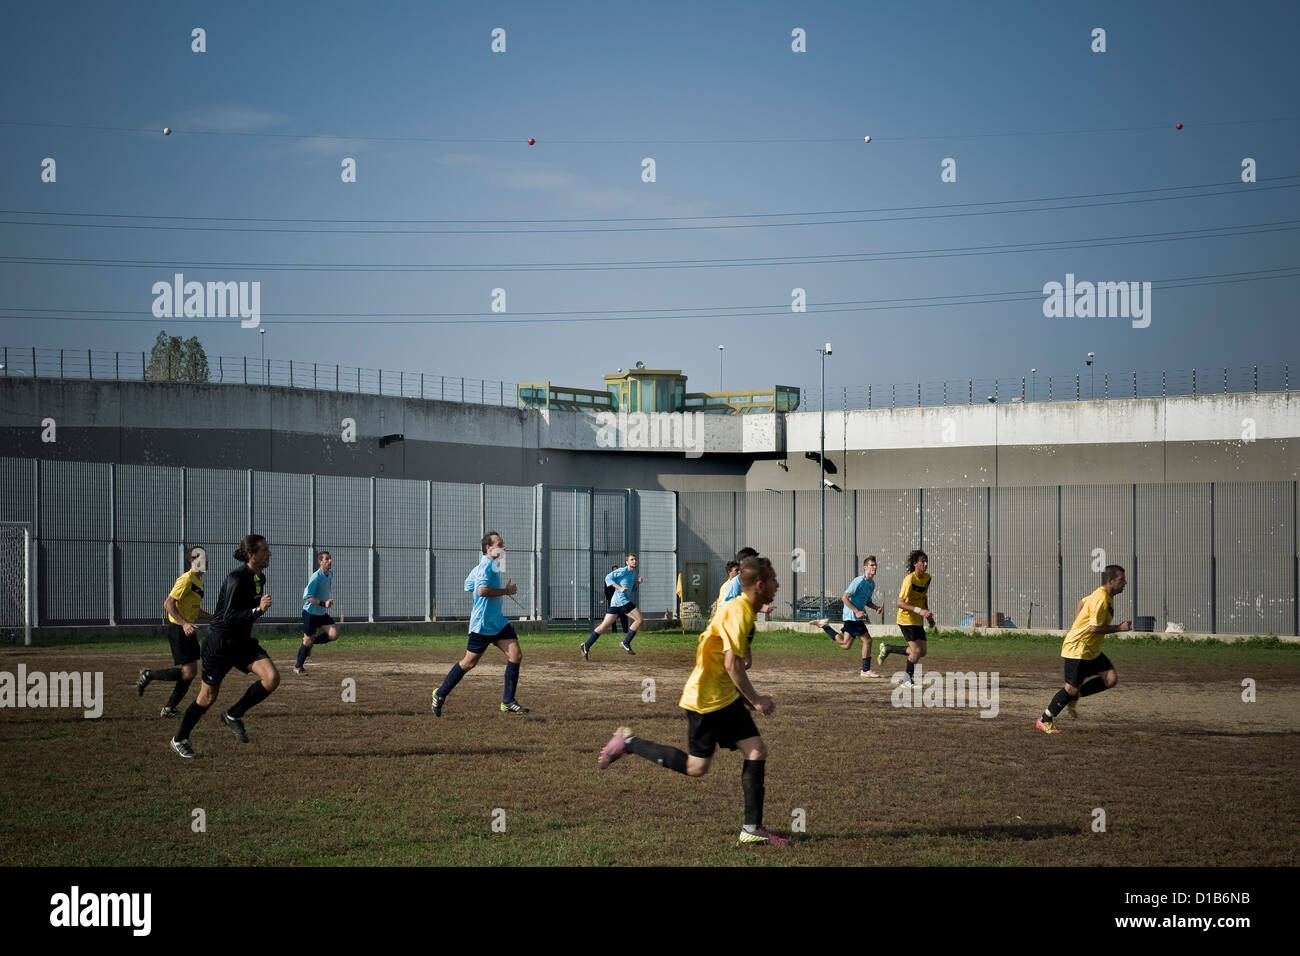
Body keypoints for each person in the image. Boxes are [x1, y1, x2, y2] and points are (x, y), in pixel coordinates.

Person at [597, 556, 789, 846]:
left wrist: (744, 698)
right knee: (696, 768)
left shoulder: (745, 610)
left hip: (724, 697)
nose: (777, 584)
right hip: (706, 700)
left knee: (756, 751)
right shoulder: (738, 612)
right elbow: (732, 665)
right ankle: (629, 742)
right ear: (760, 585)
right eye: (773, 579)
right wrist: (757, 699)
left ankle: (752, 828)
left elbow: (732, 663)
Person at [169, 535, 276, 758]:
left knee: (271, 678)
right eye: (265, 550)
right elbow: (228, 617)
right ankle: (180, 739)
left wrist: (255, 612)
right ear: (251, 554)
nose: (269, 553)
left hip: (242, 642)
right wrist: (258, 610)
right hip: (220, 645)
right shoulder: (236, 579)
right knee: (208, 697)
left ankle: (233, 714)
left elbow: (244, 616)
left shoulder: (260, 578)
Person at [431, 532, 527, 716]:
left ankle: (508, 701)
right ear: (488, 548)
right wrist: (505, 591)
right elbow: (481, 591)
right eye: (499, 544)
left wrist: (488, 579)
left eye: (503, 543)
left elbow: (468, 585)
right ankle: (440, 694)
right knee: (468, 663)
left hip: (497, 622)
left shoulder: (491, 564)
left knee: (515, 655)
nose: (504, 547)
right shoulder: (487, 566)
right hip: (482, 625)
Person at [1036, 565, 1131, 734]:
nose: (1125, 583)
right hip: (1077, 649)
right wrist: (1118, 628)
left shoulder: (1104, 594)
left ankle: (1075, 697)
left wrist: (1078, 623)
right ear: (1110, 581)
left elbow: (1081, 602)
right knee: (1070, 688)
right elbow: (1094, 628)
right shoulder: (1101, 599)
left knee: (1111, 679)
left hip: (1091, 649)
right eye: (1121, 580)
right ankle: (1045, 719)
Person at [137, 546, 213, 717]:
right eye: (204, 558)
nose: (208, 561)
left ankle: (170, 708)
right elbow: (168, 604)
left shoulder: (199, 580)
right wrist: (184, 623)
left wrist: (213, 617)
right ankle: (148, 675)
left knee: (190, 673)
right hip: (179, 629)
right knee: (188, 672)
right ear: (194, 561)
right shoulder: (185, 580)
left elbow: (195, 610)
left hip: (188, 628)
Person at [813, 555, 884, 677]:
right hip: (852, 616)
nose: (874, 567)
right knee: (867, 640)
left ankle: (824, 626)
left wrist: (876, 607)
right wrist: (856, 611)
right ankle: (866, 671)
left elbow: (867, 601)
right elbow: (844, 597)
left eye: (875, 565)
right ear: (865, 567)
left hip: (853, 616)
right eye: (872, 565)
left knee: (846, 645)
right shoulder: (859, 581)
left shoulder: (872, 584)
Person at [877, 549, 935, 688]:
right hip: (905, 619)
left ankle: (888, 648)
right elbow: (899, 603)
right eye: (922, 561)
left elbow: (923, 596)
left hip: (917, 619)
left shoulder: (927, 578)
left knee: (922, 652)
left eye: (926, 561)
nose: (925, 564)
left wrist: (927, 615)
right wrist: (919, 610)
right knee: (915, 652)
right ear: (915, 564)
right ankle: (906, 680)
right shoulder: (909, 579)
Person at [580, 553, 643, 658]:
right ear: (627, 562)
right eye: (631, 560)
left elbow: (633, 589)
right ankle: (626, 642)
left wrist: (638, 583)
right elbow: (608, 578)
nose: (634, 561)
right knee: (639, 620)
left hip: (617, 603)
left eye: (635, 559)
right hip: (622, 601)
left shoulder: (634, 573)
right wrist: (619, 588)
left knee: (603, 626)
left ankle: (586, 645)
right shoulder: (623, 571)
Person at [296, 550, 340, 675]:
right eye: (326, 559)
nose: (330, 561)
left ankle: (309, 643)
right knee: (308, 640)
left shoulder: (330, 574)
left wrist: (325, 604)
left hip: (321, 613)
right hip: (310, 613)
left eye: (330, 558)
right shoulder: (316, 576)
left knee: (334, 634)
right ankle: (298, 667)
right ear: (320, 562)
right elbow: (307, 596)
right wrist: (323, 603)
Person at [604, 565, 624, 636]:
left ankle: (625, 630)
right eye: (614, 570)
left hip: (621, 599)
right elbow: (606, 590)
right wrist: (609, 598)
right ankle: (614, 630)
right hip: (612, 599)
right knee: (612, 615)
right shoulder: (609, 579)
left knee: (623, 615)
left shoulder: (621, 579)